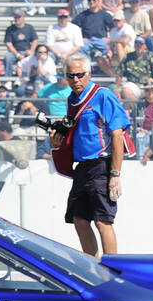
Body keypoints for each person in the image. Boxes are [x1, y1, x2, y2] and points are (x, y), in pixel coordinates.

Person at [52, 56, 128, 258]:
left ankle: (112, 269)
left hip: (102, 164)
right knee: (79, 219)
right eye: (71, 76)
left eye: (79, 75)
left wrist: (115, 174)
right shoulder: (72, 100)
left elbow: (117, 134)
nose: (75, 79)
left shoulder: (103, 95)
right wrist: (58, 142)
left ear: (89, 74)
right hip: (83, 167)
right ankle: (92, 268)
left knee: (103, 221)